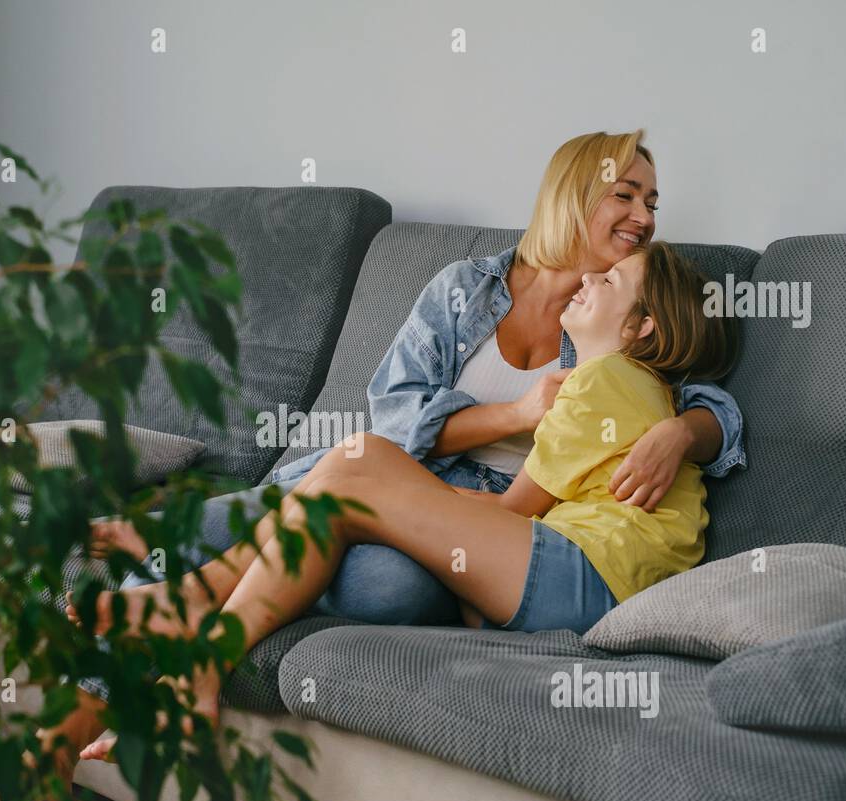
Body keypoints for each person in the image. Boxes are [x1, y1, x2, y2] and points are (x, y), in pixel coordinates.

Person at [75, 240, 737, 759]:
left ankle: (199, 622)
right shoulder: (628, 386)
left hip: (583, 576)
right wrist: (401, 502)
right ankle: (199, 642)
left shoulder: (608, 382)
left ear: (643, 329)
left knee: (357, 462)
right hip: (582, 573)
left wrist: (402, 504)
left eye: (611, 281)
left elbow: (513, 511)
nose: (590, 279)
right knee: (350, 474)